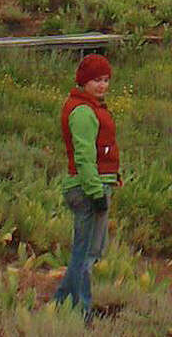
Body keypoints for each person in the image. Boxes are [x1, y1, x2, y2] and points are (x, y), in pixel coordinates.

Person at [53, 51, 120, 323]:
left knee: (86, 251)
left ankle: (61, 304)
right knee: (87, 253)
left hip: (91, 185)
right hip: (87, 188)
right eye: (96, 80)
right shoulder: (82, 111)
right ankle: (82, 312)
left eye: (105, 80)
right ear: (84, 81)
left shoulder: (88, 107)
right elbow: (84, 157)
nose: (102, 85)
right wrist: (96, 193)